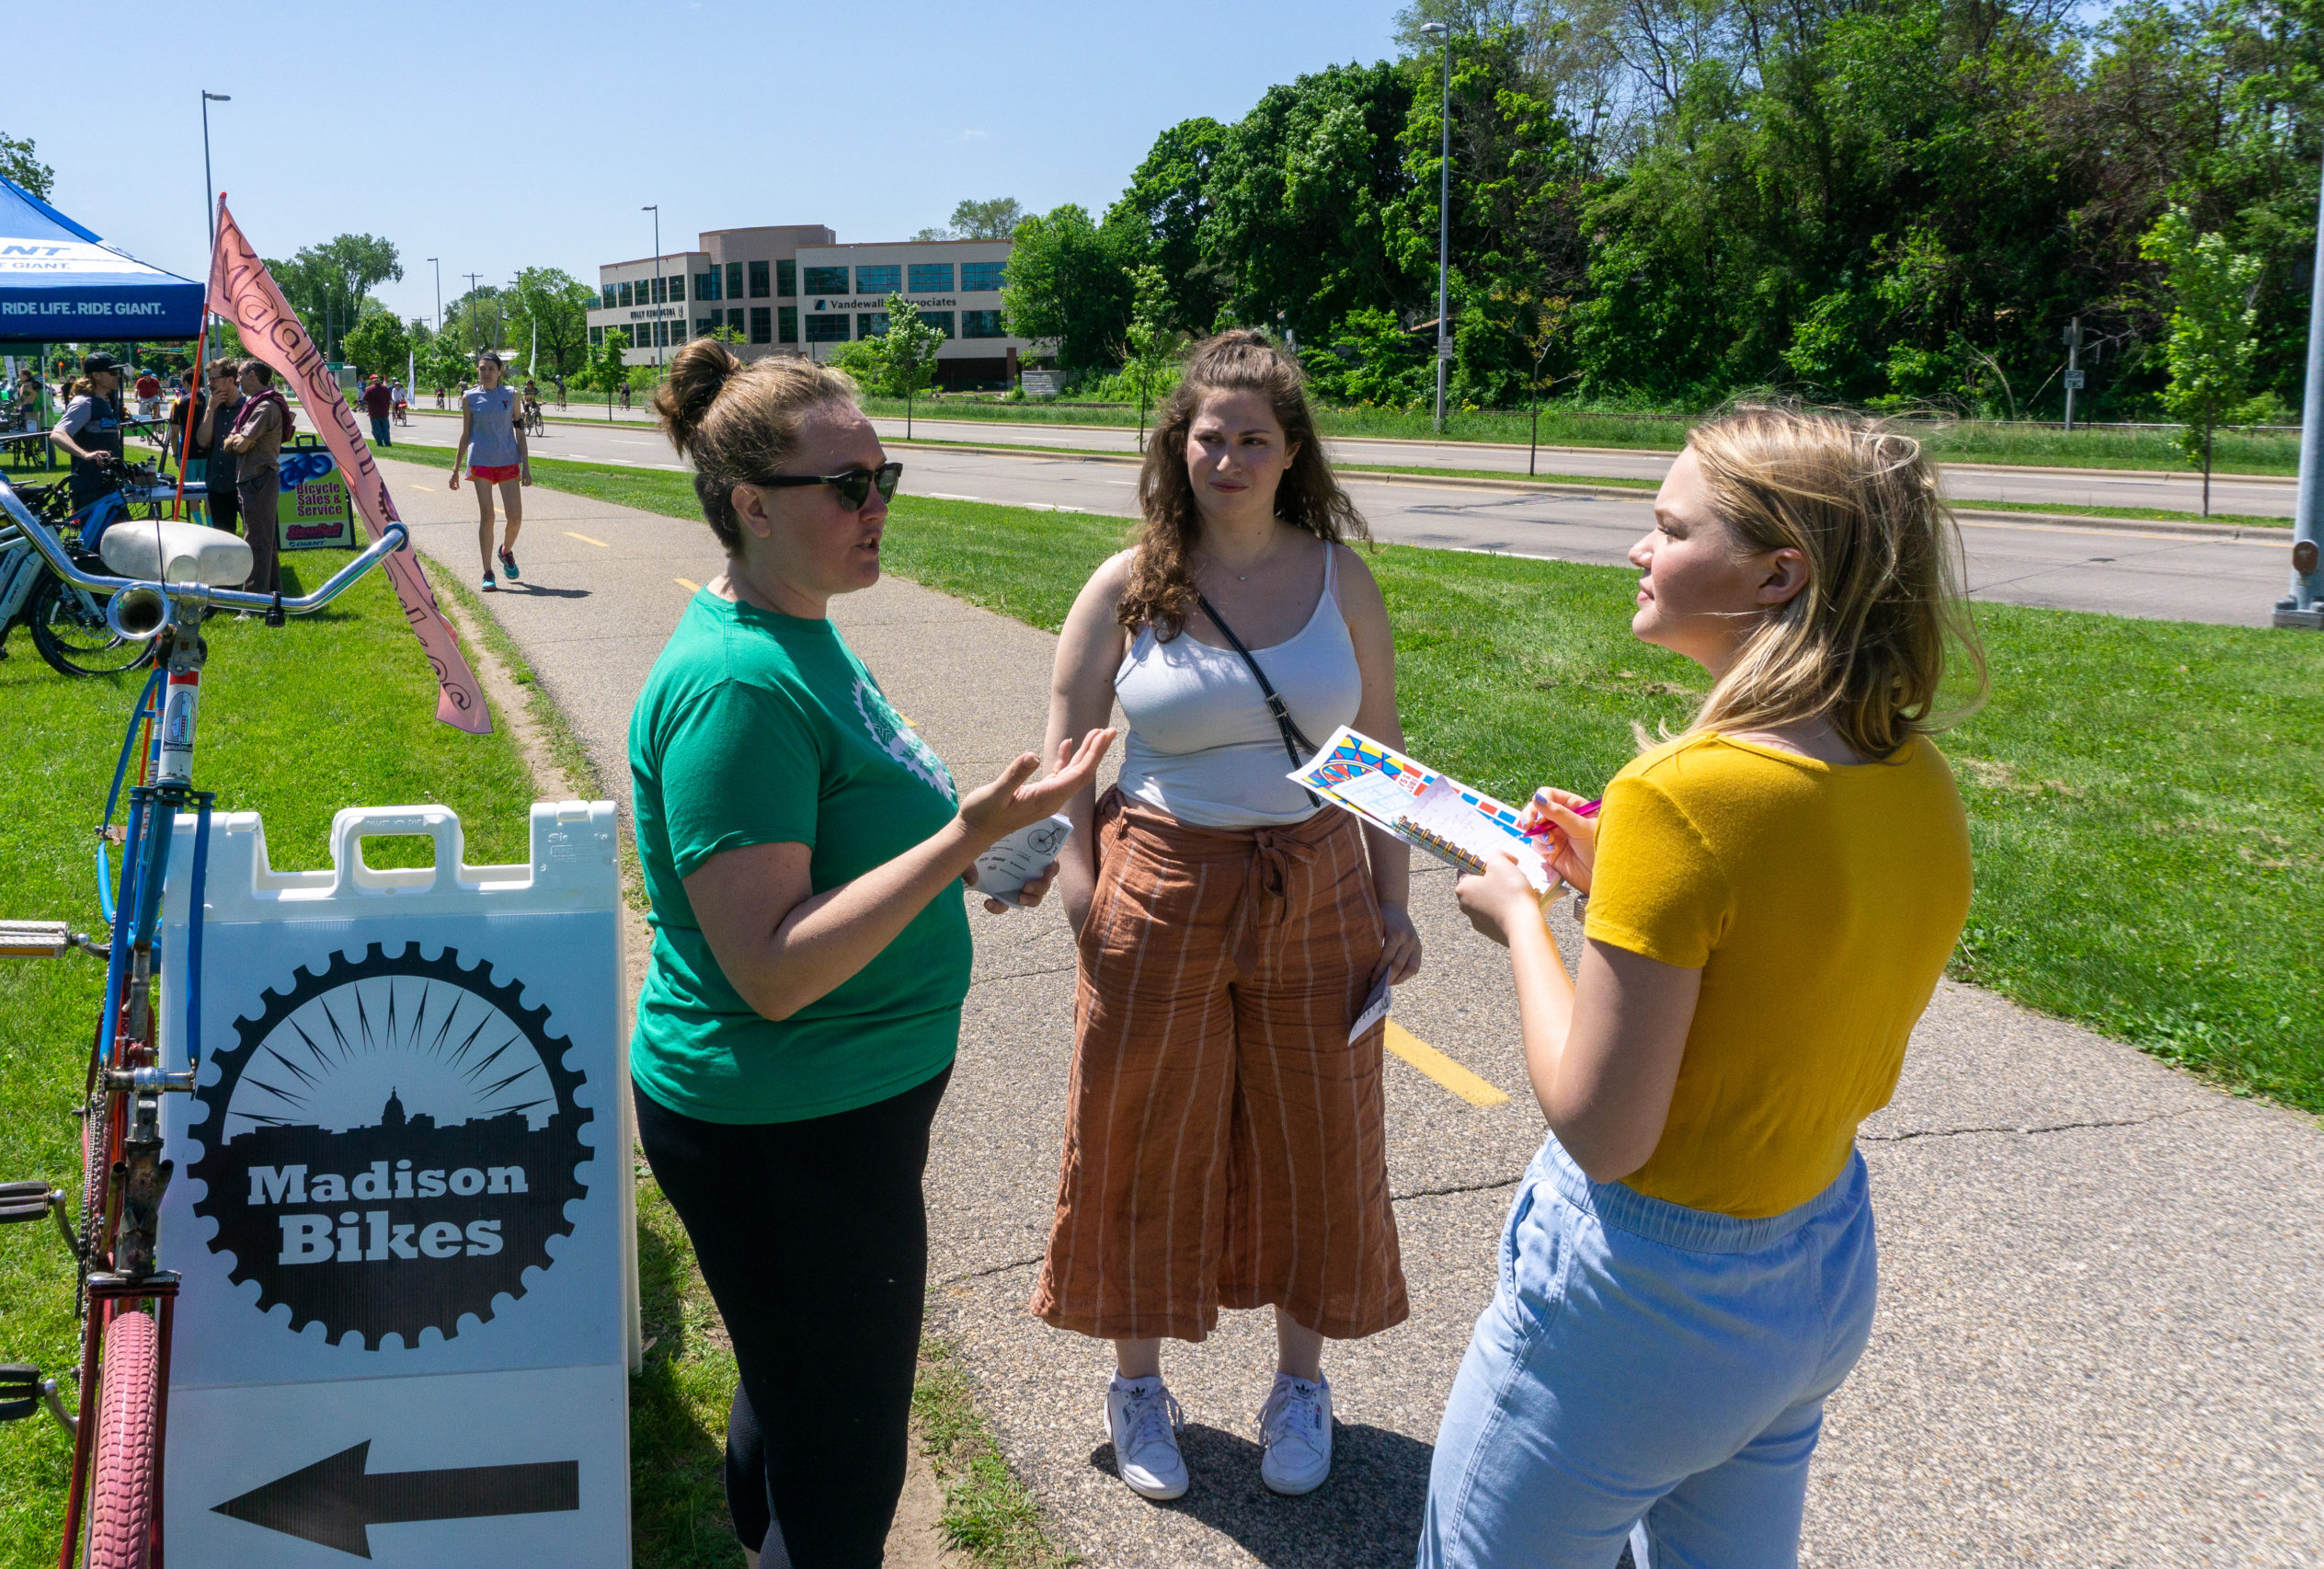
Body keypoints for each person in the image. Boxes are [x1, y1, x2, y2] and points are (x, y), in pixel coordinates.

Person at [1420, 405, 1982, 1568]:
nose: (1639, 549)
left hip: (1649, 1298)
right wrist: (1618, 883)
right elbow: (1777, 971)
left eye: (1669, 529)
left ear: (1777, 574)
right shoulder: (1912, 770)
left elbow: (1602, 1127)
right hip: (1818, 1258)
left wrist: (1524, 920)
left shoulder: (1681, 796)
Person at [630, 338, 1115, 1568]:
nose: (877, 506)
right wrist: (965, 835)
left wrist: (986, 856)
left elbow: (853, 855)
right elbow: (774, 968)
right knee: (848, 1465)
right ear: (750, 505)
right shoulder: (738, 684)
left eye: (884, 475)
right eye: (846, 486)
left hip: (841, 1118)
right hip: (787, 1128)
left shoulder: (803, 632)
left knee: (797, 1390)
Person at [1028, 329, 1422, 1504]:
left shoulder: (1340, 576)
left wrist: (1394, 902)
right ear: (1178, 445)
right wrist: (1085, 901)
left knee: (1320, 1131)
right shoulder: (1125, 582)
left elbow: (1381, 747)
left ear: (1290, 450)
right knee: (1144, 1128)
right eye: (1211, 435)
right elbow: (1064, 760)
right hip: (1162, 879)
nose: (1231, 455)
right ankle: (1140, 1383)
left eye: (1255, 437)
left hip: (1318, 882)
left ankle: (1300, 1383)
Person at [449, 350, 532, 591]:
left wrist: (525, 465)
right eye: (482, 369)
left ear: (500, 371)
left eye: (491, 369)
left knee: (515, 516)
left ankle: (505, 551)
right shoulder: (470, 398)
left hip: (507, 460)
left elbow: (519, 431)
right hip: (481, 461)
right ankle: (487, 572)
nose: (486, 373)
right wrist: (455, 469)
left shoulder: (511, 395)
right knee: (488, 516)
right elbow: (466, 434)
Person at [221, 359, 291, 594]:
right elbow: (232, 441)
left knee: (255, 543)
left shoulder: (264, 407)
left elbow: (240, 445)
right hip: (254, 478)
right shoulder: (254, 405)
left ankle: (251, 602)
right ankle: (273, 593)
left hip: (259, 478)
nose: (237, 380)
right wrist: (235, 441)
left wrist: (235, 441)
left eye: (240, 374)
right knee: (265, 542)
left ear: (253, 375)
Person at [50, 352, 129, 514]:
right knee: (95, 539)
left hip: (109, 484)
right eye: (112, 373)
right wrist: (85, 454)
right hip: (90, 486)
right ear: (96, 375)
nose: (117, 377)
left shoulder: (105, 402)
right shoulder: (84, 402)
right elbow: (58, 434)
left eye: (118, 373)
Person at [183, 359, 246, 533]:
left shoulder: (247, 407)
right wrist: (210, 410)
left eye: (214, 379)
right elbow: (202, 441)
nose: (209, 384)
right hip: (218, 484)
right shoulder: (213, 407)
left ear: (230, 380)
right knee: (223, 538)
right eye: (208, 379)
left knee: (253, 536)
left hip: (243, 483)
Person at [361, 373, 394, 448]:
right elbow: (389, 398)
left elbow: (365, 399)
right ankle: (387, 443)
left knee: (376, 429)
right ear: (379, 381)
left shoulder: (369, 389)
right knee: (385, 429)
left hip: (374, 412)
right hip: (384, 412)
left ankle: (380, 443)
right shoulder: (385, 389)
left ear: (372, 381)